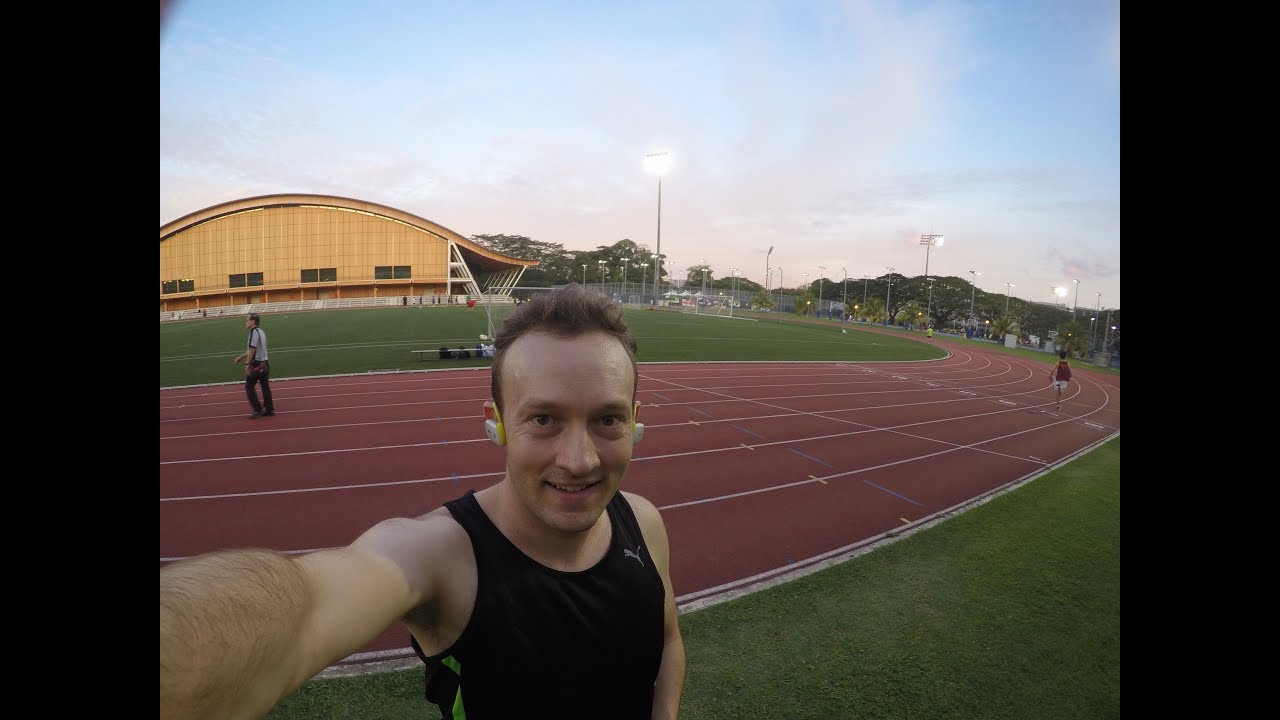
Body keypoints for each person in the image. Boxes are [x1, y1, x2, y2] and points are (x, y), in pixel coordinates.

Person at [161, 284, 685, 719]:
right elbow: (307, 608)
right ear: (497, 422)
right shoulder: (440, 558)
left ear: (635, 418)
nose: (579, 459)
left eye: (608, 419)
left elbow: (665, 642)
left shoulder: (644, 523)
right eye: (543, 419)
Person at [232, 312, 275, 418]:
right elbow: (252, 349)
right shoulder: (261, 332)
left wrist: (247, 364)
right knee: (265, 386)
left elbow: (252, 348)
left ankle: (257, 409)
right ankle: (269, 409)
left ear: (252, 321)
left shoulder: (253, 333)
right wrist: (241, 357)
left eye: (247, 320)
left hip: (257, 365)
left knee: (249, 386)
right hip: (265, 363)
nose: (246, 323)